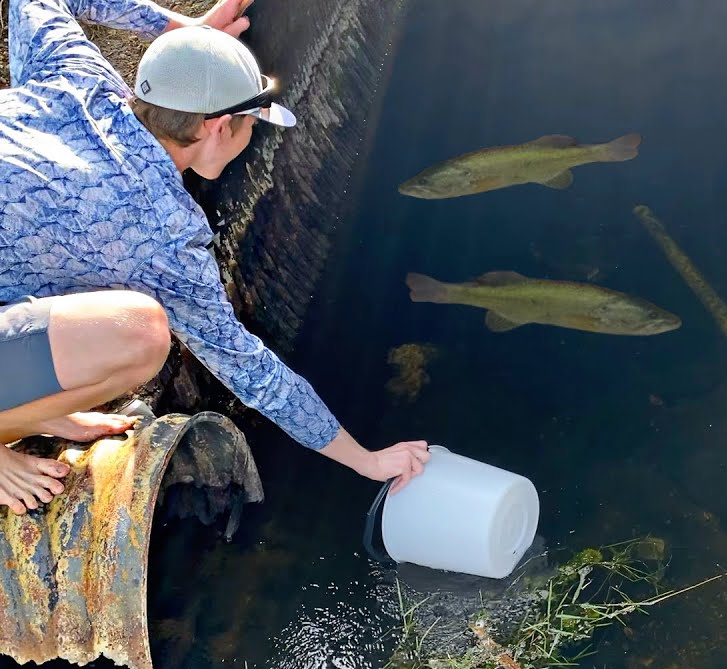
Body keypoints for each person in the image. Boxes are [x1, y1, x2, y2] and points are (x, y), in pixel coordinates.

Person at [0, 0, 430, 516]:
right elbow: (253, 372)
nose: (252, 137)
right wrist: (367, 461)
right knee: (140, 333)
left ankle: (30, 410)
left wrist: (185, 29)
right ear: (217, 127)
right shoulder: (161, 234)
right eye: (252, 125)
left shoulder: (77, 76)